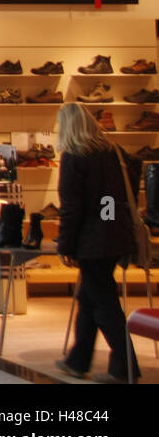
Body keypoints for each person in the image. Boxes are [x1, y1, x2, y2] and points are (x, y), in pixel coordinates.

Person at [54, 101, 142, 383]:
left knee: (104, 303)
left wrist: (65, 245)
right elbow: (122, 196)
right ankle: (78, 360)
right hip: (116, 236)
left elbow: (72, 208)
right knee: (90, 298)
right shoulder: (114, 152)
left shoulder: (74, 157)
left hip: (93, 242)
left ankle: (126, 365)